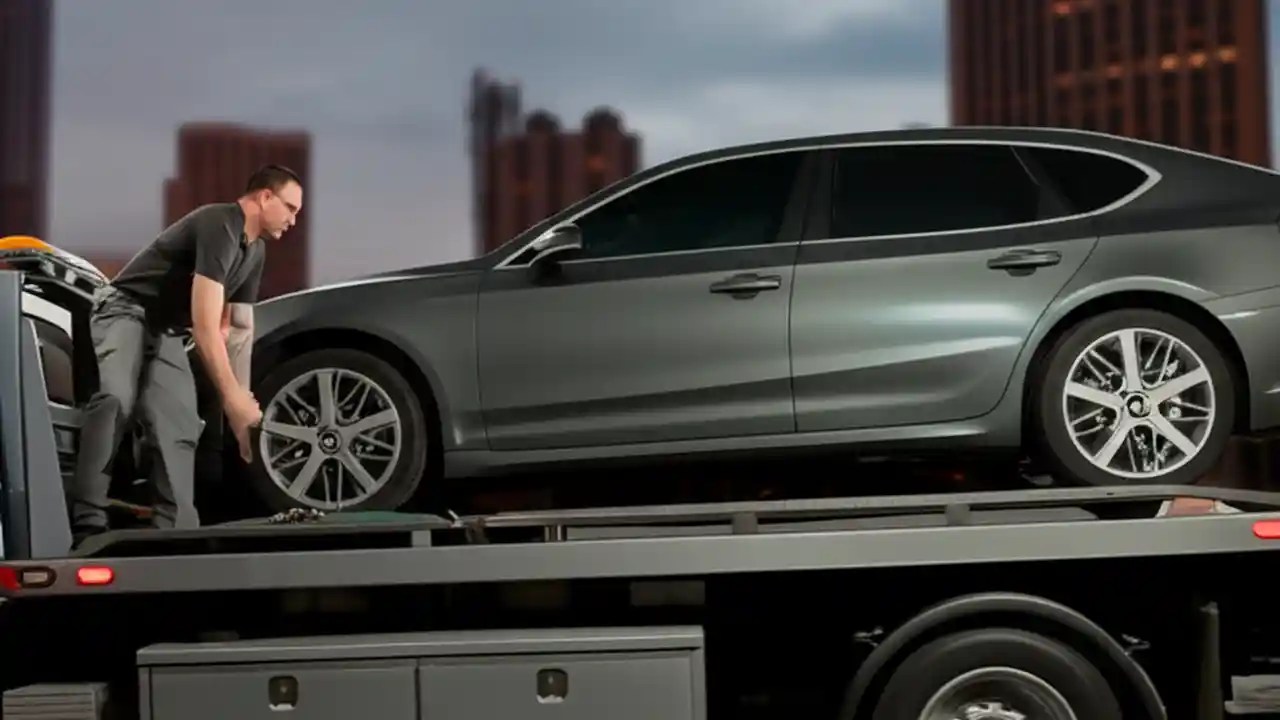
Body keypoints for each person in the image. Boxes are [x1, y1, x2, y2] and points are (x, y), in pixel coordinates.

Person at [68, 164, 303, 546]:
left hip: (166, 330)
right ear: (265, 197)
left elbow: (240, 331)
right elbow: (207, 325)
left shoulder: (255, 251)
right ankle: (87, 520)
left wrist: (239, 410)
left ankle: (176, 532)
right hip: (125, 309)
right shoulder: (220, 223)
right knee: (117, 400)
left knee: (178, 424)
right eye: (291, 208)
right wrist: (231, 398)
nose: (294, 220)